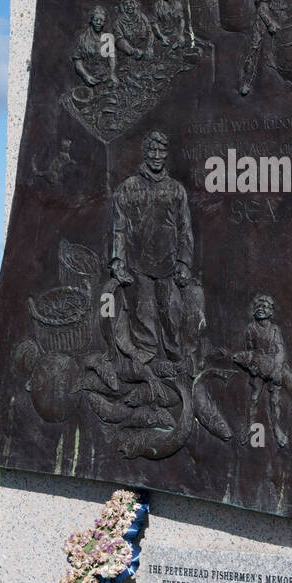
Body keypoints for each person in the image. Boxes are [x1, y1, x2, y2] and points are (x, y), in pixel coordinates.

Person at [110, 130, 193, 402]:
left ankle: (175, 363)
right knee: (143, 317)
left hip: (168, 265)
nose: (157, 157)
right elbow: (119, 228)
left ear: (166, 154)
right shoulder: (128, 187)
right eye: (152, 151)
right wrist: (118, 261)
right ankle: (145, 371)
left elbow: (185, 230)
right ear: (145, 153)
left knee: (171, 314)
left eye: (161, 152)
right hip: (138, 266)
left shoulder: (176, 189)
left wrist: (184, 262)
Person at [233, 293, 292, 449]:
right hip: (258, 369)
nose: (261, 309)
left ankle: (277, 429)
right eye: (258, 306)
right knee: (253, 398)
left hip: (274, 367)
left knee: (275, 401)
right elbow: (249, 351)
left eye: (265, 306)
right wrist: (252, 368)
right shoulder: (250, 329)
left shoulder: (275, 329)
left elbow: (280, 351)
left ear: (271, 312)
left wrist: (277, 367)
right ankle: (251, 428)